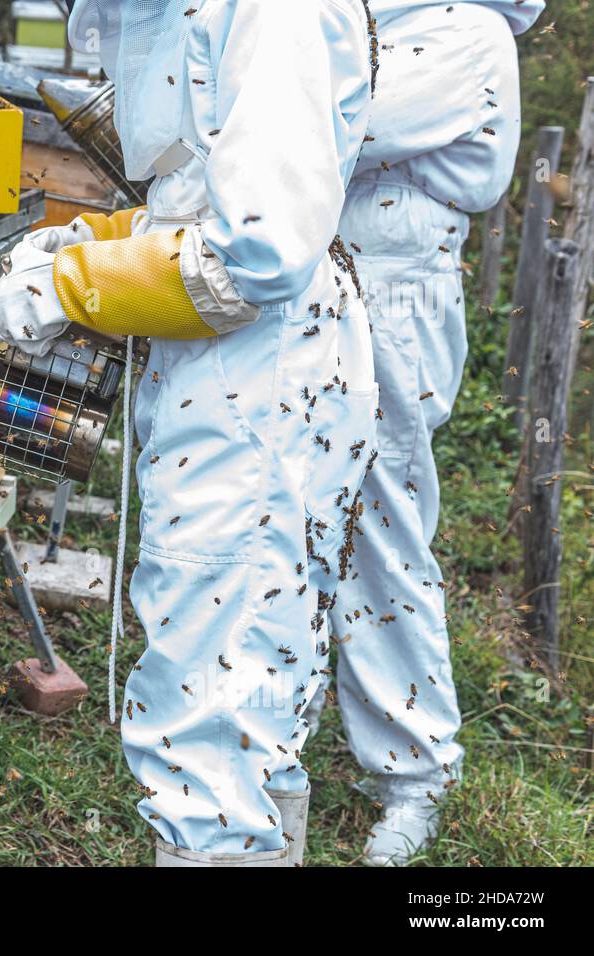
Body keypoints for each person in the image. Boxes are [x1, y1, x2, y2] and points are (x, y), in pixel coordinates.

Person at [0, 0, 379, 866]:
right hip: (252, 373)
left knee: (208, 718)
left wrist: (69, 285)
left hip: (257, 377)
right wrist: (96, 241)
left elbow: (252, 258)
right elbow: (205, 191)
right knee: (257, 692)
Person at [293, 0, 545, 865]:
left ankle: (415, 772)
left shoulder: (465, 31)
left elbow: (335, 121)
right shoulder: (366, 17)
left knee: (380, 529)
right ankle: (281, 725)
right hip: (319, 278)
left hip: (391, 292)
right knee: (297, 511)